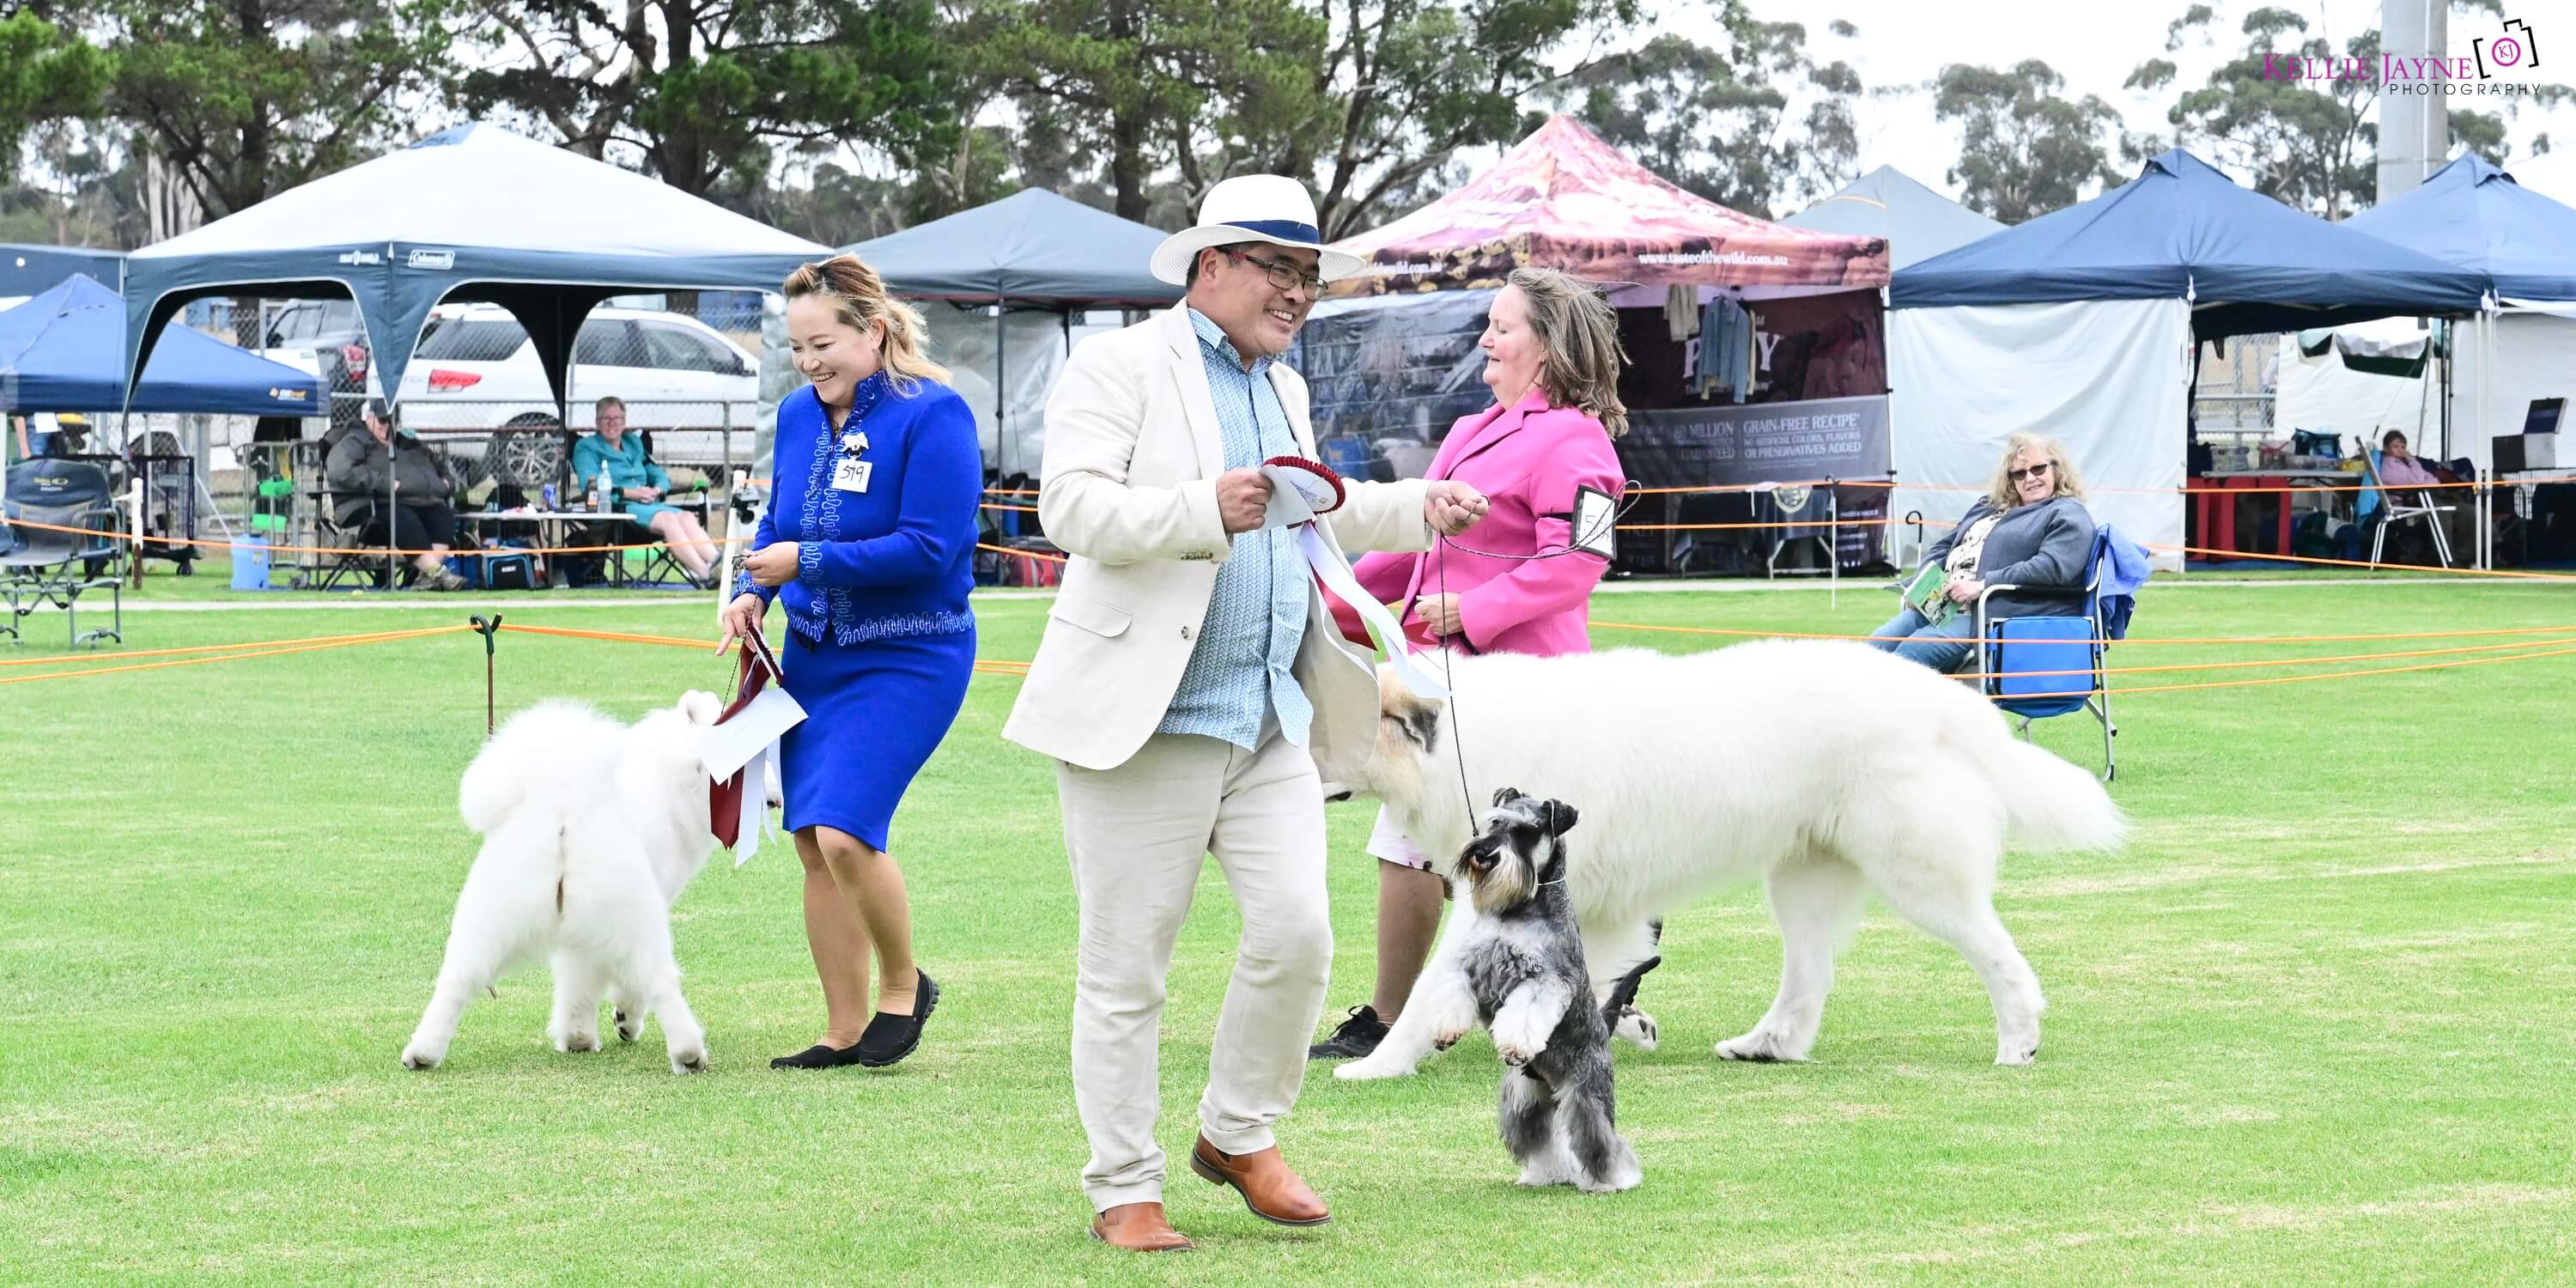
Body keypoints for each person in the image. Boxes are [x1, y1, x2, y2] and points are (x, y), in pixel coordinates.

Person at [1000, 174, 1490, 1254]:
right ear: (1207, 266)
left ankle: (1236, 1133)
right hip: (1145, 724)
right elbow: (1068, 506)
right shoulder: (1120, 362)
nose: (1301, 292)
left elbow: (1319, 505)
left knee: (1299, 936)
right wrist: (1197, 508)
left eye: (1312, 275)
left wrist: (1420, 504)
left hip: (1271, 717)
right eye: (1281, 269)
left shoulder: (1286, 387)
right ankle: (1123, 1184)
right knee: (1128, 969)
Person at [1309, 266, 1630, 1063]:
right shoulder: (1467, 431)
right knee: (1405, 839)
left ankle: (1593, 992)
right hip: (1439, 681)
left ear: (1547, 348)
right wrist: (1332, 606)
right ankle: (1391, 1016)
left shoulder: (1576, 439)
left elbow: (1579, 561)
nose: (1485, 339)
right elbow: (1417, 558)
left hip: (1527, 689)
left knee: (1534, 857)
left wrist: (1477, 611)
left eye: (1503, 327)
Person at [716, 254, 980, 1072]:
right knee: (809, 839)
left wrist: (808, 563)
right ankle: (840, 1027)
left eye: (823, 342)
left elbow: (932, 548)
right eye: (797, 348)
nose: (810, 362)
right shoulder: (798, 415)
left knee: (846, 830)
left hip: (912, 653)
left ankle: (905, 988)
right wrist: (751, 588)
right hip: (815, 655)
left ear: (872, 329)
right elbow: (775, 523)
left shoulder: (935, 414)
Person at [1870, 433, 2097, 672]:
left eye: (2038, 469)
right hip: (1940, 606)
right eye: (2019, 473)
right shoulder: (1989, 506)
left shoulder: (2067, 513)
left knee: (1906, 659)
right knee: (1871, 651)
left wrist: (1982, 585)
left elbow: (2052, 568)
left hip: (1983, 616)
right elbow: (1945, 546)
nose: (2030, 478)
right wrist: (1921, 584)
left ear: (2057, 469)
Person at [572, 396, 720, 585]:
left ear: (624, 422)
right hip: (617, 510)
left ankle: (718, 563)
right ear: (597, 422)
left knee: (686, 517)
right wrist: (632, 493)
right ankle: (706, 575)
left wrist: (658, 489)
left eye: (616, 418)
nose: (611, 423)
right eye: (606, 418)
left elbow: (656, 472)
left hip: (649, 504)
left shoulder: (633, 442)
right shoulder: (586, 447)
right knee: (668, 520)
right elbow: (590, 485)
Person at [326, 398, 467, 591]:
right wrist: (382, 483)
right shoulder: (355, 441)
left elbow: (442, 467)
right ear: (370, 418)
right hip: (375, 507)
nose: (387, 426)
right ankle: (438, 573)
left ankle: (427, 576)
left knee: (443, 517)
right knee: (402, 518)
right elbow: (340, 471)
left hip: (424, 503)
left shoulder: (409, 444)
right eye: (382, 421)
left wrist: (446, 483)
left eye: (391, 421)